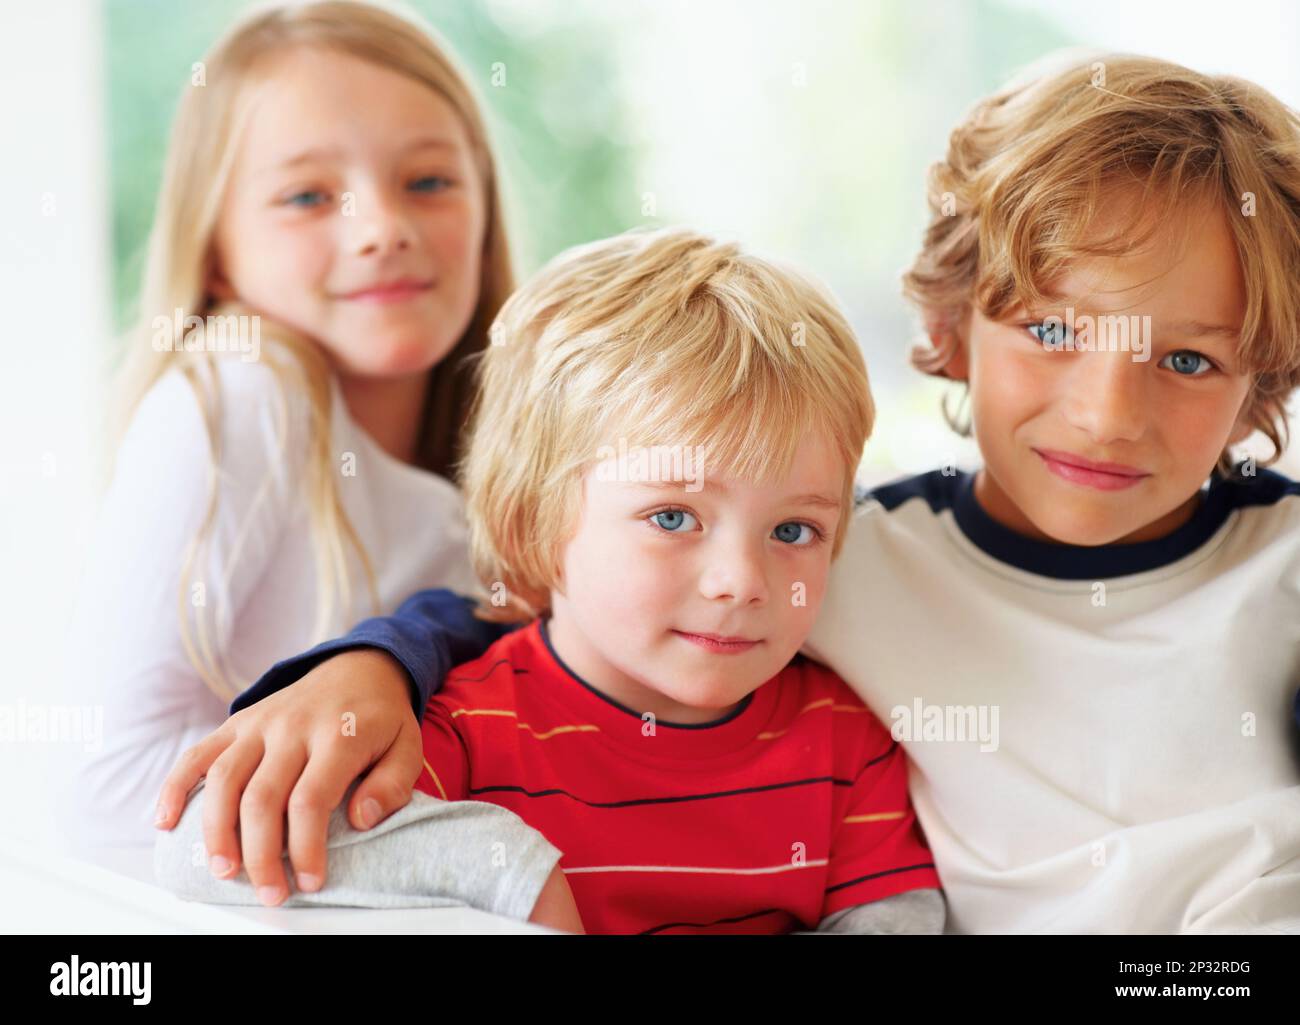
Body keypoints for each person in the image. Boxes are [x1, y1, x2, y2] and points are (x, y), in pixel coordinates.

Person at [159, 52, 1300, 933]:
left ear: (1266, 379)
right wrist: (368, 664)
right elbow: (555, 604)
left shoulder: (1281, 560)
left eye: (1189, 358)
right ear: (951, 328)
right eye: (1051, 330)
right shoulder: (849, 558)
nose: (1108, 411)